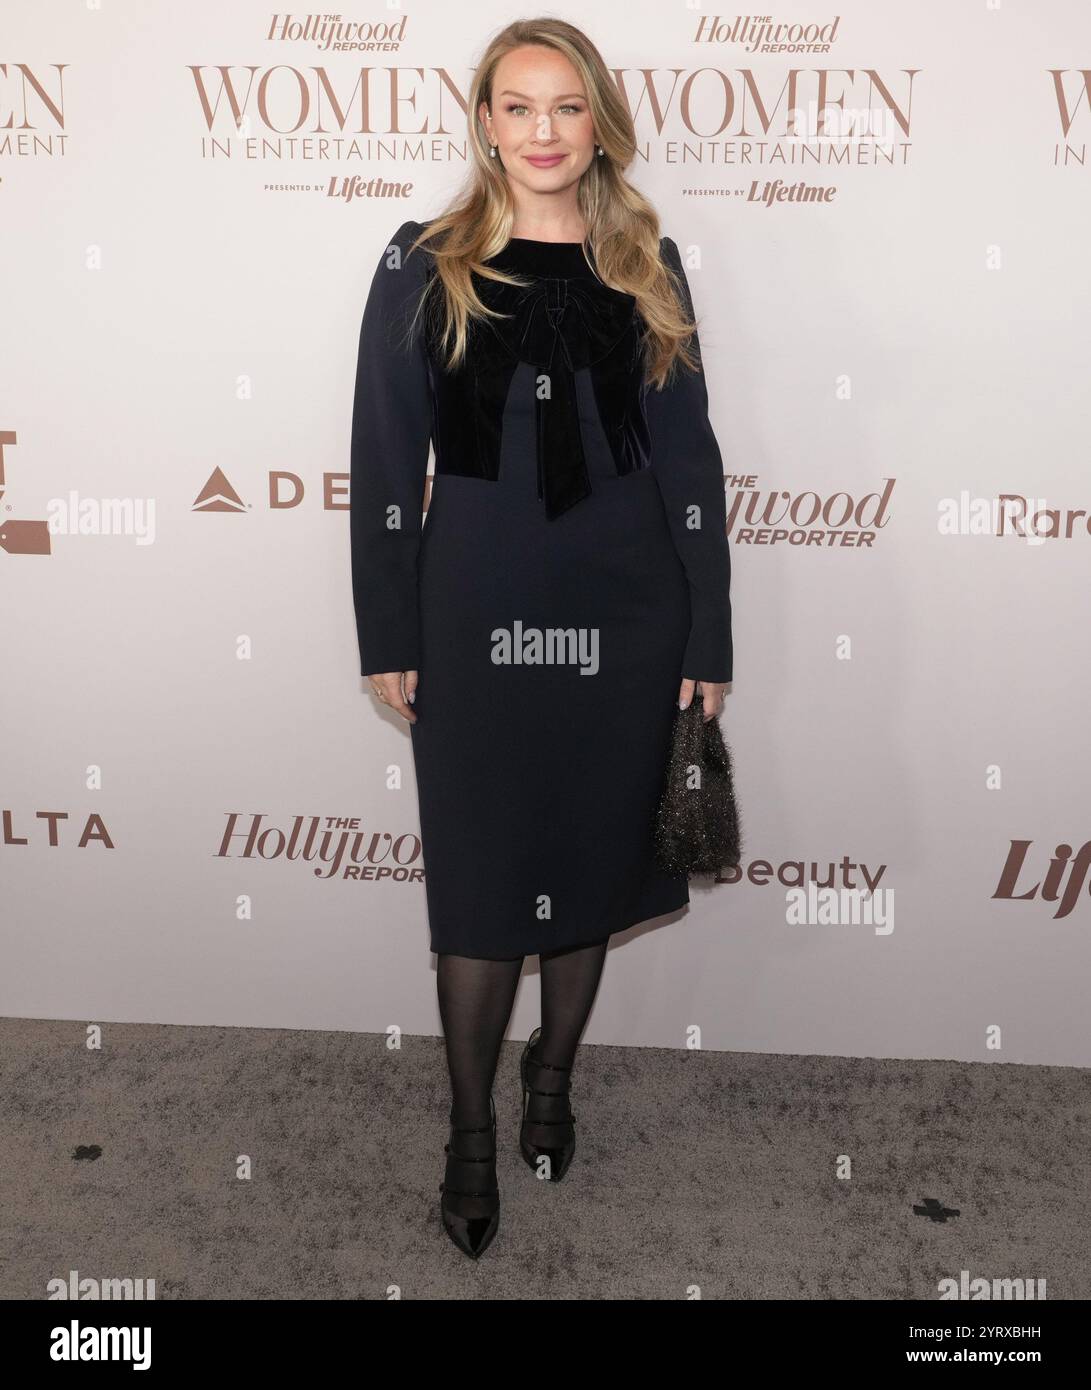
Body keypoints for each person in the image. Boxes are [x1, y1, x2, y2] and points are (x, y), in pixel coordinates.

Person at [349, 17, 732, 1259]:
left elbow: (687, 461)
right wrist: (388, 628)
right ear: (484, 123)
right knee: (475, 886)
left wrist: (706, 628)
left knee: (587, 866)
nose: (543, 132)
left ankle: (549, 1083)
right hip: (472, 612)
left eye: (566, 107)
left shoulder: (646, 263)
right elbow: (384, 465)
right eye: (517, 108)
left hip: (627, 614)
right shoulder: (424, 263)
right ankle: (469, 1137)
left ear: (599, 121)